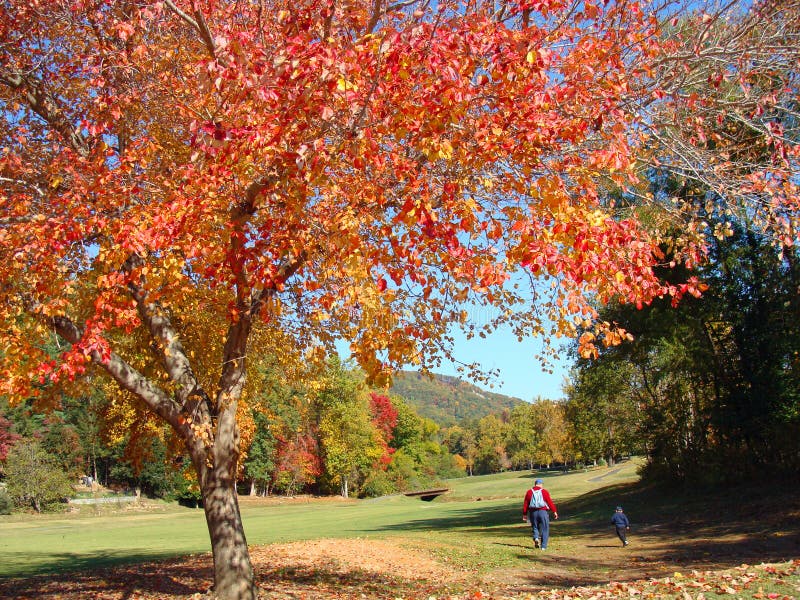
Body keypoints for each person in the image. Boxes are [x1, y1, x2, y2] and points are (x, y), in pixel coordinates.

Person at [522, 478, 558, 550]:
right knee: (545, 528)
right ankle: (543, 546)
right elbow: (549, 502)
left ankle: (536, 537)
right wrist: (554, 511)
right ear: (541, 484)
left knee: (535, 526)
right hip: (543, 512)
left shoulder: (529, 492)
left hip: (533, 513)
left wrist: (525, 514)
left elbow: (525, 504)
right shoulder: (544, 492)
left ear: (535, 484)